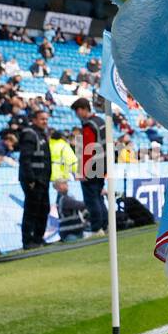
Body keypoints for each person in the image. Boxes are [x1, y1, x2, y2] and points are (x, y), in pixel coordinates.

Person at [72, 97, 108, 236]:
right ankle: (105, 226)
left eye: (77, 111)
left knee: (92, 199)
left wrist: (83, 172)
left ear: (82, 109)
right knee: (99, 197)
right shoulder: (101, 121)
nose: (77, 115)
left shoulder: (89, 126)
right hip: (102, 164)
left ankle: (96, 229)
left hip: (91, 167)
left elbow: (87, 149)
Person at [17, 107, 51, 248]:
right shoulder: (30, 134)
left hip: (42, 180)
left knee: (43, 209)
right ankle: (28, 241)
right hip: (34, 181)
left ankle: (38, 238)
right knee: (32, 210)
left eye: (46, 119)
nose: (45, 122)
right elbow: (25, 159)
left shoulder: (41, 134)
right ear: (34, 120)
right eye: (42, 119)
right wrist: (30, 179)